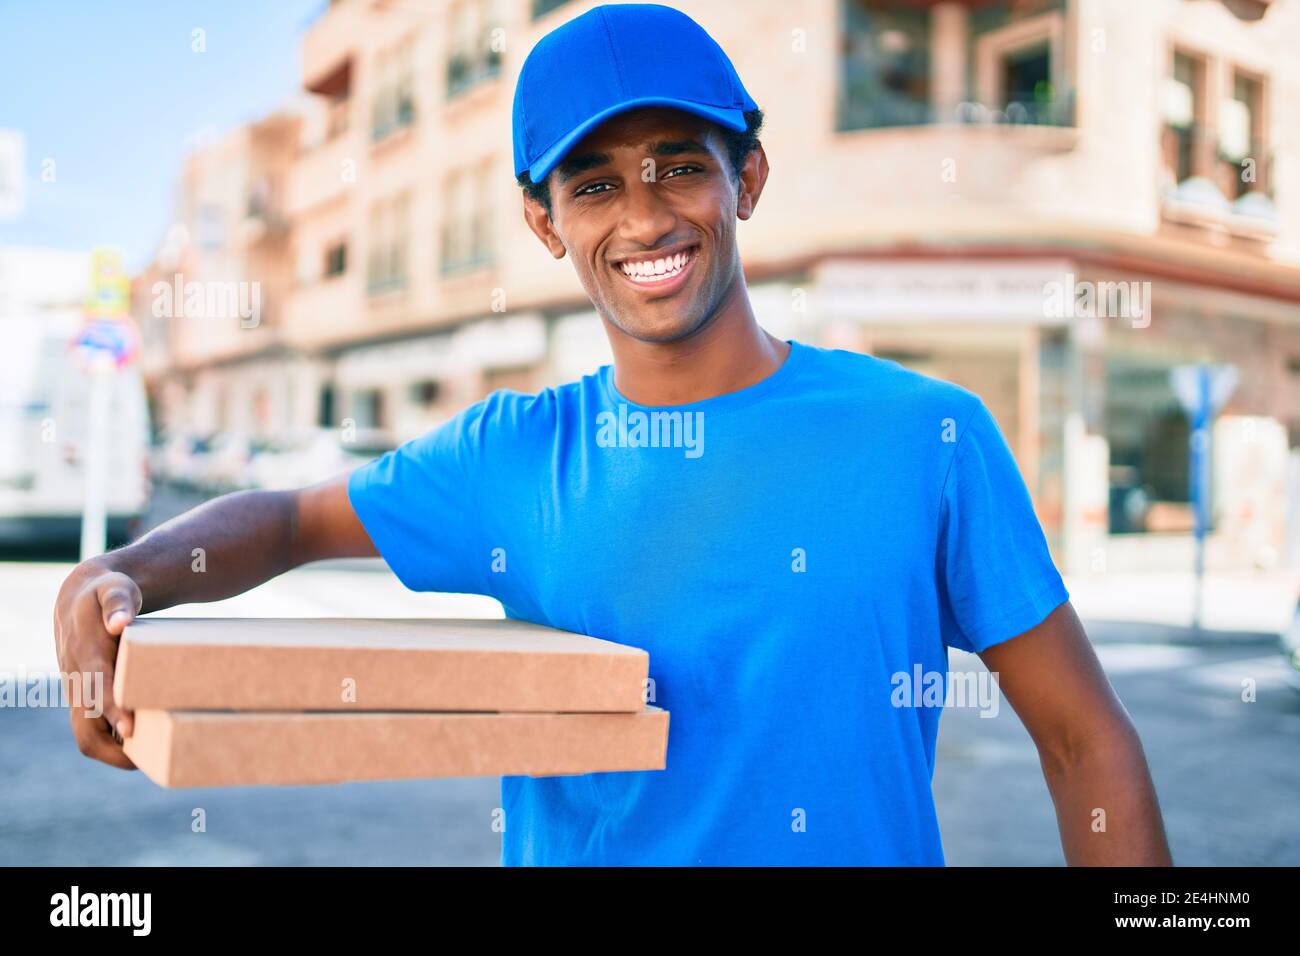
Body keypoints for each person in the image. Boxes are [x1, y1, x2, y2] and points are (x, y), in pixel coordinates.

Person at [55, 3, 1172, 866]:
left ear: (748, 177)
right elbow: (287, 519)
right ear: (545, 222)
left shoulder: (926, 434)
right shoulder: (512, 454)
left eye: (679, 165)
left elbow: (1085, 741)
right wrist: (121, 574)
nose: (643, 216)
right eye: (594, 184)